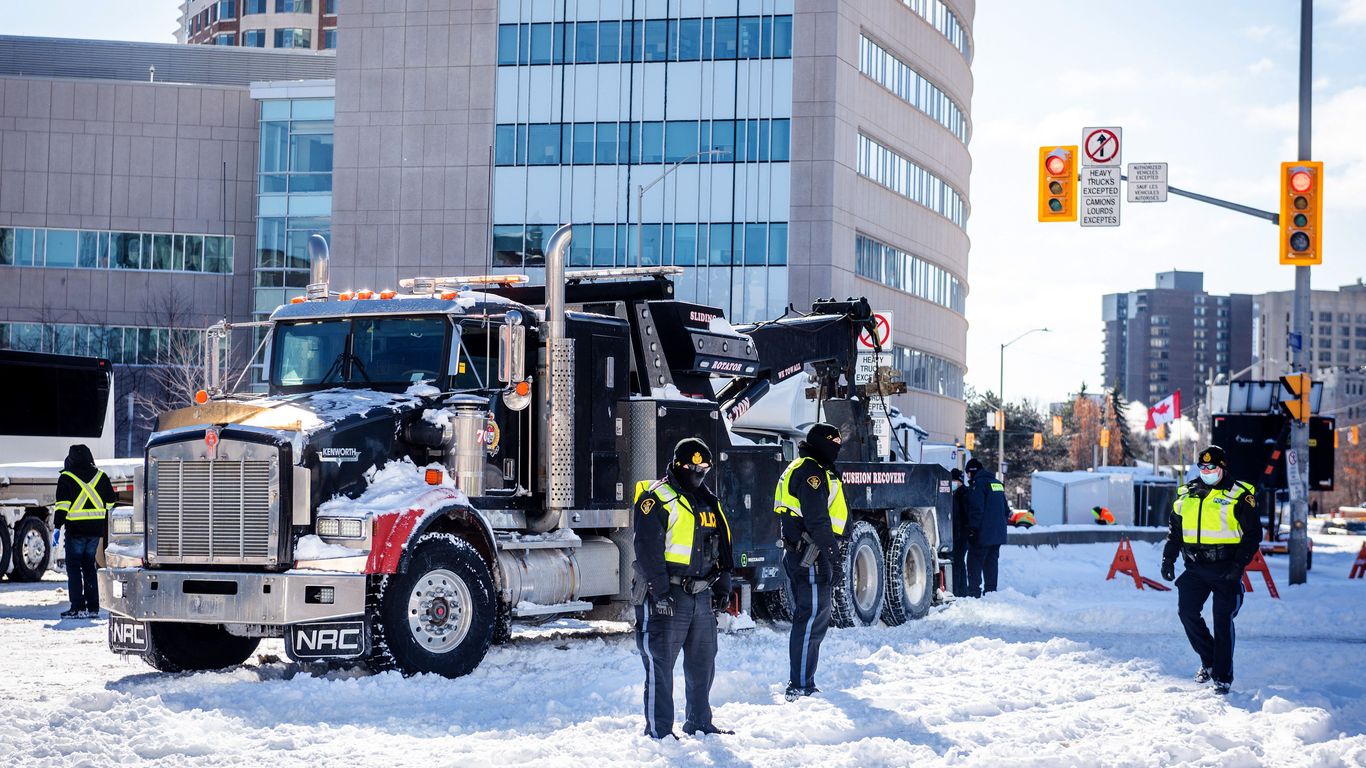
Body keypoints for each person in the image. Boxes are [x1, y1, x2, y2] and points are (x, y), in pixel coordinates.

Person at [632, 438, 734, 738]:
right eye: (693, 467)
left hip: (702, 594)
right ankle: (660, 732)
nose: (699, 472)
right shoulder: (657, 498)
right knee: (660, 664)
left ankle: (699, 721)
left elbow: (720, 546)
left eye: (704, 467)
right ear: (678, 464)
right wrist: (660, 591)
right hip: (668, 595)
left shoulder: (707, 500)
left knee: (703, 663)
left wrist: (723, 585)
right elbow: (647, 547)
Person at [1159, 445, 1261, 695]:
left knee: (1222, 620)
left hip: (1226, 568)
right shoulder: (1187, 495)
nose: (1205, 471)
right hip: (1195, 567)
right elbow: (1175, 532)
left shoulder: (1239, 495)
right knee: (1187, 612)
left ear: (1222, 468)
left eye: (1211, 467)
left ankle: (1223, 677)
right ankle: (1210, 661)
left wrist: (1239, 566)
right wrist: (1168, 559)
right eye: (1202, 467)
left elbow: (1253, 535)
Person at [774, 423, 848, 701]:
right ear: (821, 444)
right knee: (811, 621)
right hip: (812, 556)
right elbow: (817, 520)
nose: (837, 449)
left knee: (813, 619)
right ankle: (801, 685)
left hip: (806, 554)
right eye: (833, 444)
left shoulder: (807, 467)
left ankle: (804, 681)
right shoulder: (812, 473)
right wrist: (834, 557)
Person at [53, 444, 115, 619]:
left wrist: (57, 527)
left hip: (75, 532)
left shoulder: (66, 477)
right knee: (89, 567)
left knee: (73, 569)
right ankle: (93, 607)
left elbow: (62, 506)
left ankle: (77, 607)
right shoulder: (101, 477)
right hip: (95, 532)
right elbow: (111, 504)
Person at [963, 457, 1009, 597]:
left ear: (971, 472)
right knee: (991, 563)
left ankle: (974, 593)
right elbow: (1006, 510)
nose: (967, 477)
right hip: (998, 534)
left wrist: (972, 529)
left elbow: (977, 509)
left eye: (967, 474)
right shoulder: (997, 484)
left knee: (974, 562)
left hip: (982, 534)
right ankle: (991, 592)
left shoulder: (978, 484)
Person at [950, 468, 970, 596]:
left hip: (961, 534)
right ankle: (961, 590)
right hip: (960, 533)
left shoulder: (962, 494)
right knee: (960, 562)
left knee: (958, 561)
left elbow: (961, 516)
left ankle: (958, 590)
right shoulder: (960, 493)